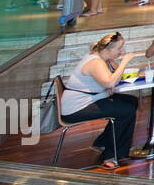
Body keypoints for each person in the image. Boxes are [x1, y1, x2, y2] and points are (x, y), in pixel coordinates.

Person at [57, 32, 140, 169]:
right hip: (76, 108)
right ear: (106, 50)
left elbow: (109, 81)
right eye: (119, 48)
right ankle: (110, 155)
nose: (122, 51)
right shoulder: (95, 62)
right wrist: (124, 62)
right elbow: (110, 82)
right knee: (126, 110)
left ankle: (103, 143)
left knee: (131, 101)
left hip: (90, 100)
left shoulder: (100, 59)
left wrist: (111, 71)